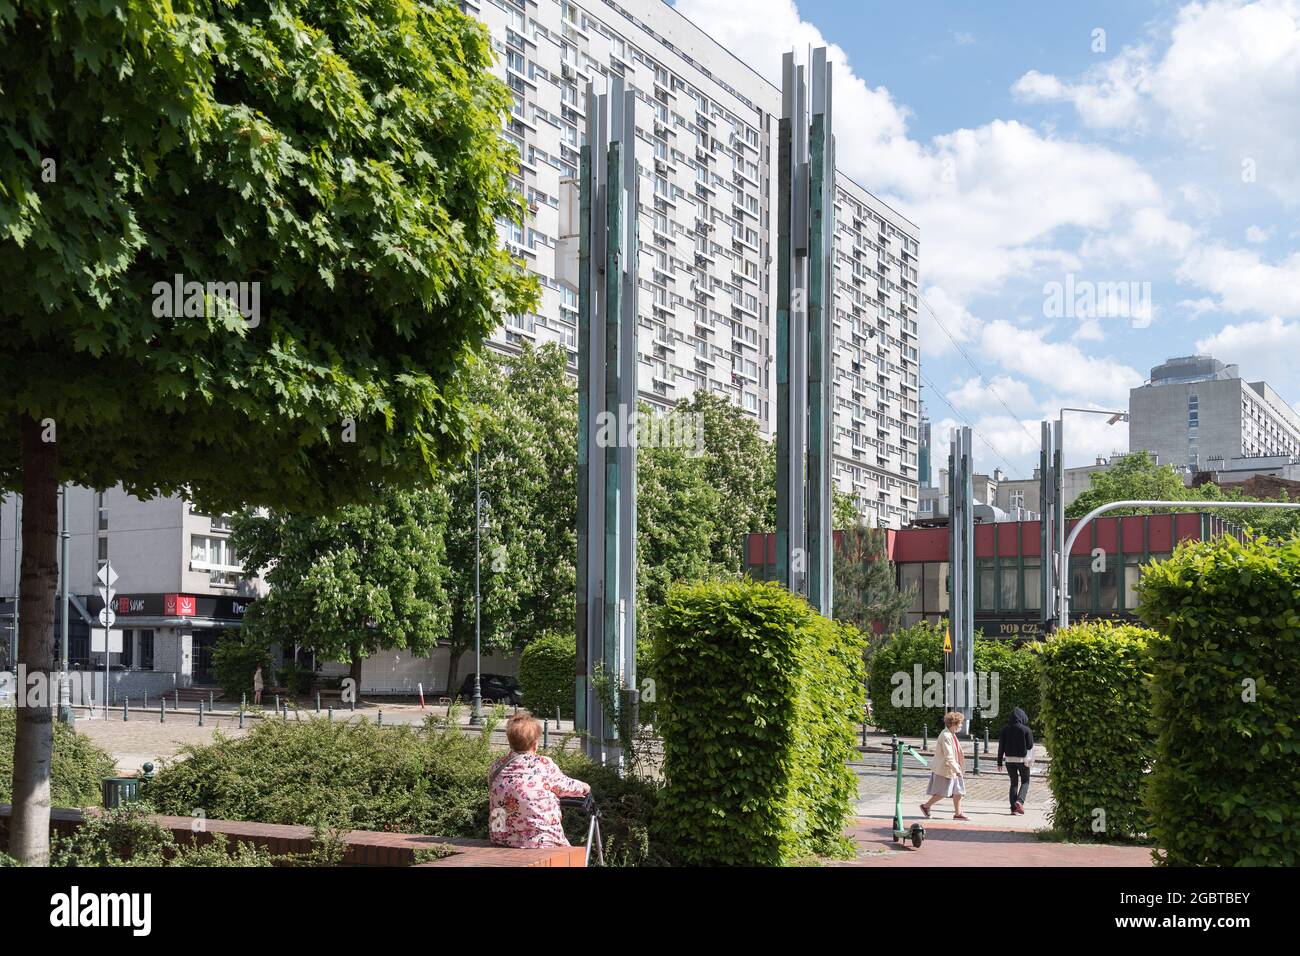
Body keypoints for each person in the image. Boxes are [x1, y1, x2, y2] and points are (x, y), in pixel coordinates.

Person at [488, 710, 591, 848]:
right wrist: (584, 787)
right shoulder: (543, 764)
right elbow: (566, 785)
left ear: (510, 743)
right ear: (535, 744)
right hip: (541, 839)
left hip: (501, 838)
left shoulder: (497, 766)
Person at [919, 711, 969, 821]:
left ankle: (958, 813)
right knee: (943, 792)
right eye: (959, 723)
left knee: (958, 791)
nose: (961, 725)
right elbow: (949, 755)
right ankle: (926, 806)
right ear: (953, 724)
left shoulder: (951, 734)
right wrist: (956, 769)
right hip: (946, 769)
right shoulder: (946, 735)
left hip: (953, 768)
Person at [997, 706, 1035, 815]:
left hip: (1009, 760)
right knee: (1025, 781)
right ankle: (1020, 801)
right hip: (1022, 760)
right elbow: (1030, 745)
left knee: (1013, 783)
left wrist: (999, 762)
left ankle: (1013, 809)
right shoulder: (1026, 730)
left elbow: (1001, 747)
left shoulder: (1004, 729)